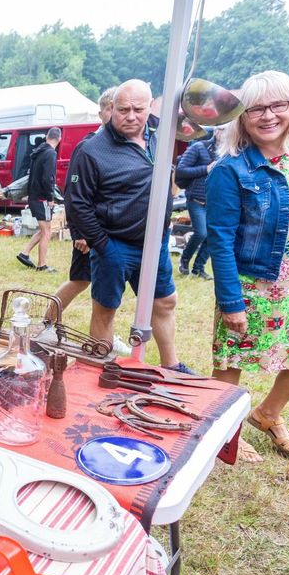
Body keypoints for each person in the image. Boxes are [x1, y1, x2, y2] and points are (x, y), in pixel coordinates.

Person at [206, 70, 289, 463]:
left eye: (278, 105)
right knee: (233, 361)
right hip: (255, 281)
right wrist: (231, 301)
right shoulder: (231, 170)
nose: (268, 116)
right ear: (241, 117)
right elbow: (220, 239)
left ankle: (268, 413)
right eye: (256, 108)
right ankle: (223, 433)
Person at [67, 79, 194, 374]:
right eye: (123, 109)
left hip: (155, 242)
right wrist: (103, 246)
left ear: (150, 107)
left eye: (138, 109)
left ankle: (171, 365)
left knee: (164, 302)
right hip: (114, 243)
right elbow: (77, 204)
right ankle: (99, 368)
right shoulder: (92, 151)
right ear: (111, 109)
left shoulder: (158, 137)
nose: (131, 116)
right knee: (105, 307)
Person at [54, 87, 116, 320]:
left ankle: (103, 328)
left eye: (115, 108)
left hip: (112, 230)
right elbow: (74, 191)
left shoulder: (123, 145)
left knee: (105, 284)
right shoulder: (89, 145)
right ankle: (47, 322)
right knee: (80, 280)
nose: (113, 113)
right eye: (109, 108)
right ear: (101, 113)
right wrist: (79, 232)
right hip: (90, 230)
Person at [174, 130, 219, 280]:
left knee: (212, 236)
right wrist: (206, 169)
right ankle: (184, 259)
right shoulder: (199, 147)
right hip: (196, 199)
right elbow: (181, 170)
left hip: (215, 202)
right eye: (224, 130)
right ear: (218, 131)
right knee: (201, 232)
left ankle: (198, 268)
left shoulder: (229, 151)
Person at [15, 127, 61, 272]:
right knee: (47, 231)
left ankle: (24, 253)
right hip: (42, 198)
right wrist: (50, 198)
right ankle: (42, 265)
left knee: (43, 229)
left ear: (47, 137)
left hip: (34, 196)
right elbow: (48, 178)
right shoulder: (50, 153)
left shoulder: (38, 152)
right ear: (59, 139)